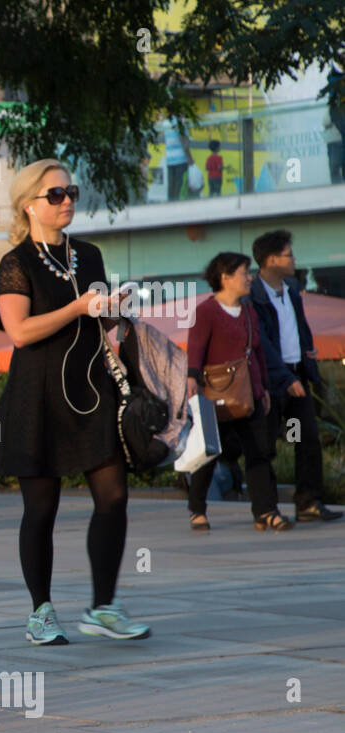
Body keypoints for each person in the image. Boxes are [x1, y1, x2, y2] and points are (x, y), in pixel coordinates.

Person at [0, 158, 150, 645]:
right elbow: (19, 331)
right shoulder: (17, 263)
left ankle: (102, 606)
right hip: (37, 397)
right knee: (41, 508)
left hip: (91, 391)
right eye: (55, 195)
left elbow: (100, 323)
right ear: (29, 205)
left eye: (70, 191)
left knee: (114, 496)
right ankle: (41, 610)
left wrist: (116, 312)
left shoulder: (89, 256)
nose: (67, 200)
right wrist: (76, 307)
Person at [184, 253, 284, 531]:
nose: (249, 277)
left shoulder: (249, 310)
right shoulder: (207, 311)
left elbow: (260, 352)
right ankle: (197, 509)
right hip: (217, 396)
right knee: (211, 453)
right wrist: (192, 378)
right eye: (244, 272)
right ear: (226, 277)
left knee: (259, 453)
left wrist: (262, 387)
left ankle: (266, 511)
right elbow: (196, 348)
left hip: (249, 394)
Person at [247, 229, 342, 522]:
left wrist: (308, 353)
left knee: (306, 439)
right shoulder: (254, 296)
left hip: (297, 373)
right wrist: (285, 380)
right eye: (289, 254)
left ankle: (308, 502)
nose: (294, 260)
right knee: (265, 446)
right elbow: (261, 341)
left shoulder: (291, 288)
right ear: (271, 260)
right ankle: (266, 508)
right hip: (272, 381)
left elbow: (299, 328)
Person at [163, 119, 192, 201]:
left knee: (171, 184)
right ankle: (177, 204)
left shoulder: (165, 122)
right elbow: (185, 143)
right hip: (181, 159)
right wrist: (190, 159)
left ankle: (170, 204)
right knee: (179, 184)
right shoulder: (180, 123)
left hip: (169, 159)